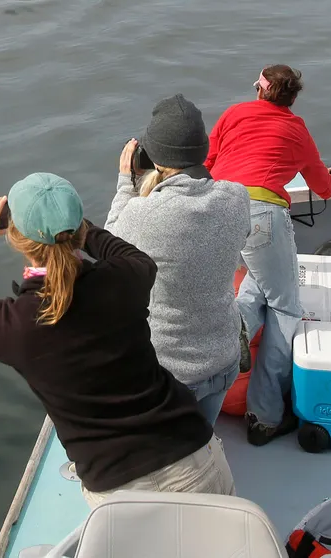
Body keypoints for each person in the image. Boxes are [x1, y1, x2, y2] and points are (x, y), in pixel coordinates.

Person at [0, 172, 236, 507]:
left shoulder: (14, 324)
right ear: (79, 230)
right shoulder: (127, 278)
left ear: (15, 238)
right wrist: (73, 224)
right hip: (197, 461)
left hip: (121, 495)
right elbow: (131, 255)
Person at [205, 65, 331, 445]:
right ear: (293, 98)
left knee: (256, 286)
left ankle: (237, 326)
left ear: (259, 91)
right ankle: (264, 417)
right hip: (261, 215)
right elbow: (322, 188)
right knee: (284, 308)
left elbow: (210, 164)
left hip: (219, 209)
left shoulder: (233, 114)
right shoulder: (296, 129)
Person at [104, 94, 251, 427]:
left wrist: (126, 184)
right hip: (223, 362)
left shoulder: (144, 215)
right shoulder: (237, 197)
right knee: (201, 440)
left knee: (171, 461)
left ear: (154, 156)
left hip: (171, 374)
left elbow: (110, 252)